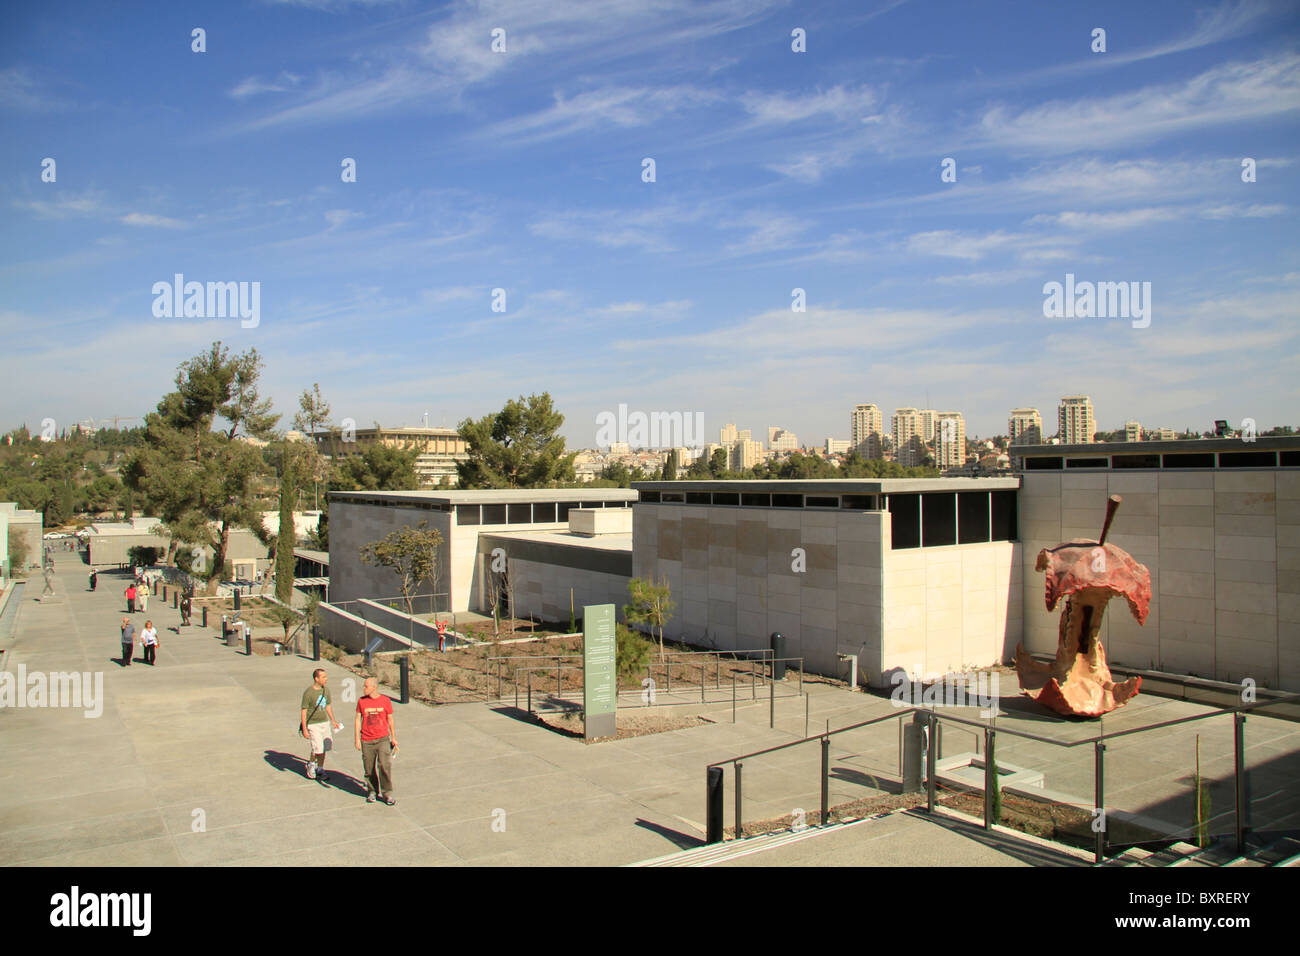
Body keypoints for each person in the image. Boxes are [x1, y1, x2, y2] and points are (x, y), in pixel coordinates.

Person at [355, 677, 397, 805]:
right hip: (367, 740)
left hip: (383, 739)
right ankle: (372, 791)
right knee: (369, 769)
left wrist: (394, 738)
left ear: (374, 687)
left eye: (366, 686)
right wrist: (357, 738)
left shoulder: (385, 701)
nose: (364, 688)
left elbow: (390, 720)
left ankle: (387, 793)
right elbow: (357, 719)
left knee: (385, 766)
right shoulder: (361, 702)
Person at [299, 669, 343, 783]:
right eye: (323, 677)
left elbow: (328, 706)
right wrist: (304, 729)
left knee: (325, 746)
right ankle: (311, 764)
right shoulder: (308, 693)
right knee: (317, 747)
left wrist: (333, 721)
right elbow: (304, 711)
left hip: (324, 722)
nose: (326, 679)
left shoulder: (326, 690)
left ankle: (320, 768)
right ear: (316, 679)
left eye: (326, 676)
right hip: (313, 724)